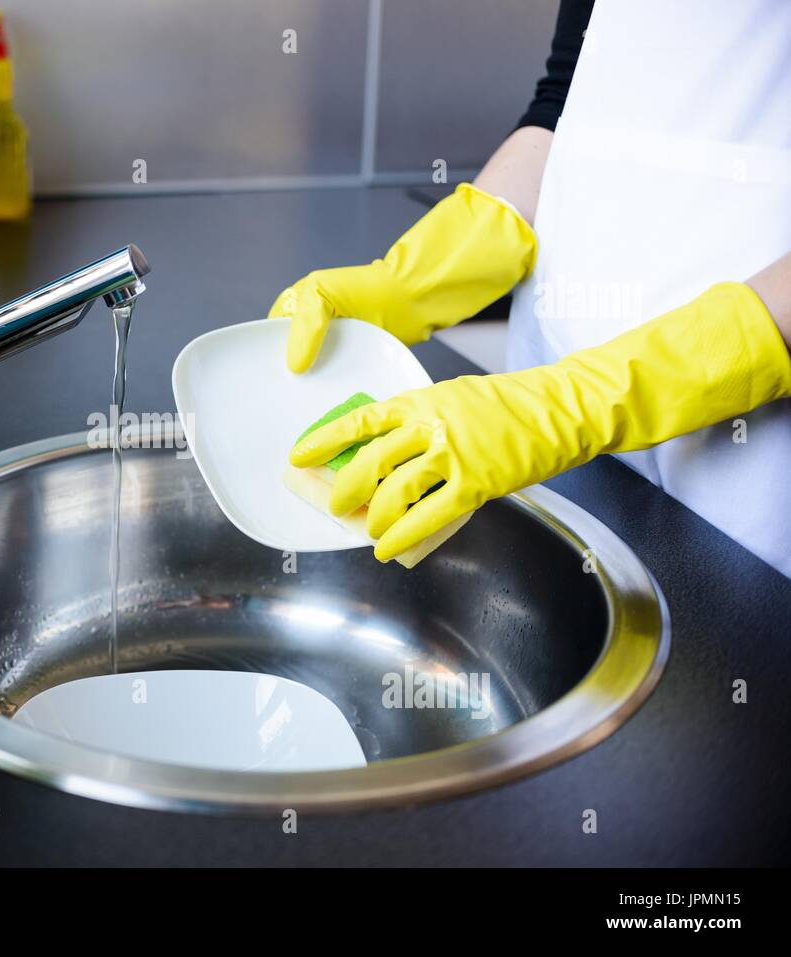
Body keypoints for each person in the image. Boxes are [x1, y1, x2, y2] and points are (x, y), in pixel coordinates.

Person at [270, 0, 791, 576]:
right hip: (539, 413)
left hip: (741, 464)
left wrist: (576, 403)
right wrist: (413, 278)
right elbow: (563, 101)